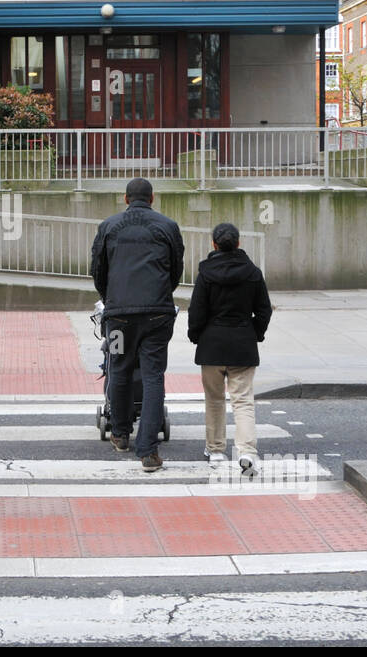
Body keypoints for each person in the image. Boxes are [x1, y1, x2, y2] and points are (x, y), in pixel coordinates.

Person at [90, 178, 185, 473]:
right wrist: (161, 295)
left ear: (125, 198)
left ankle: (120, 434)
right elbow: (176, 268)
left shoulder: (108, 226)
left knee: (118, 367)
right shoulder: (168, 226)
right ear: (152, 198)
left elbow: (98, 270)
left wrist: (110, 299)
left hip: (119, 317)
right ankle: (148, 450)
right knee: (153, 374)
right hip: (157, 316)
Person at [187, 222, 272, 478]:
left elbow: (197, 310)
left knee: (214, 400)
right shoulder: (253, 273)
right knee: (243, 400)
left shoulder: (205, 273)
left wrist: (196, 335)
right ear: (238, 243)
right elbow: (264, 310)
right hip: (242, 343)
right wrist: (255, 332)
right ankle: (246, 451)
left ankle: (215, 449)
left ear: (214, 244)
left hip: (212, 344)